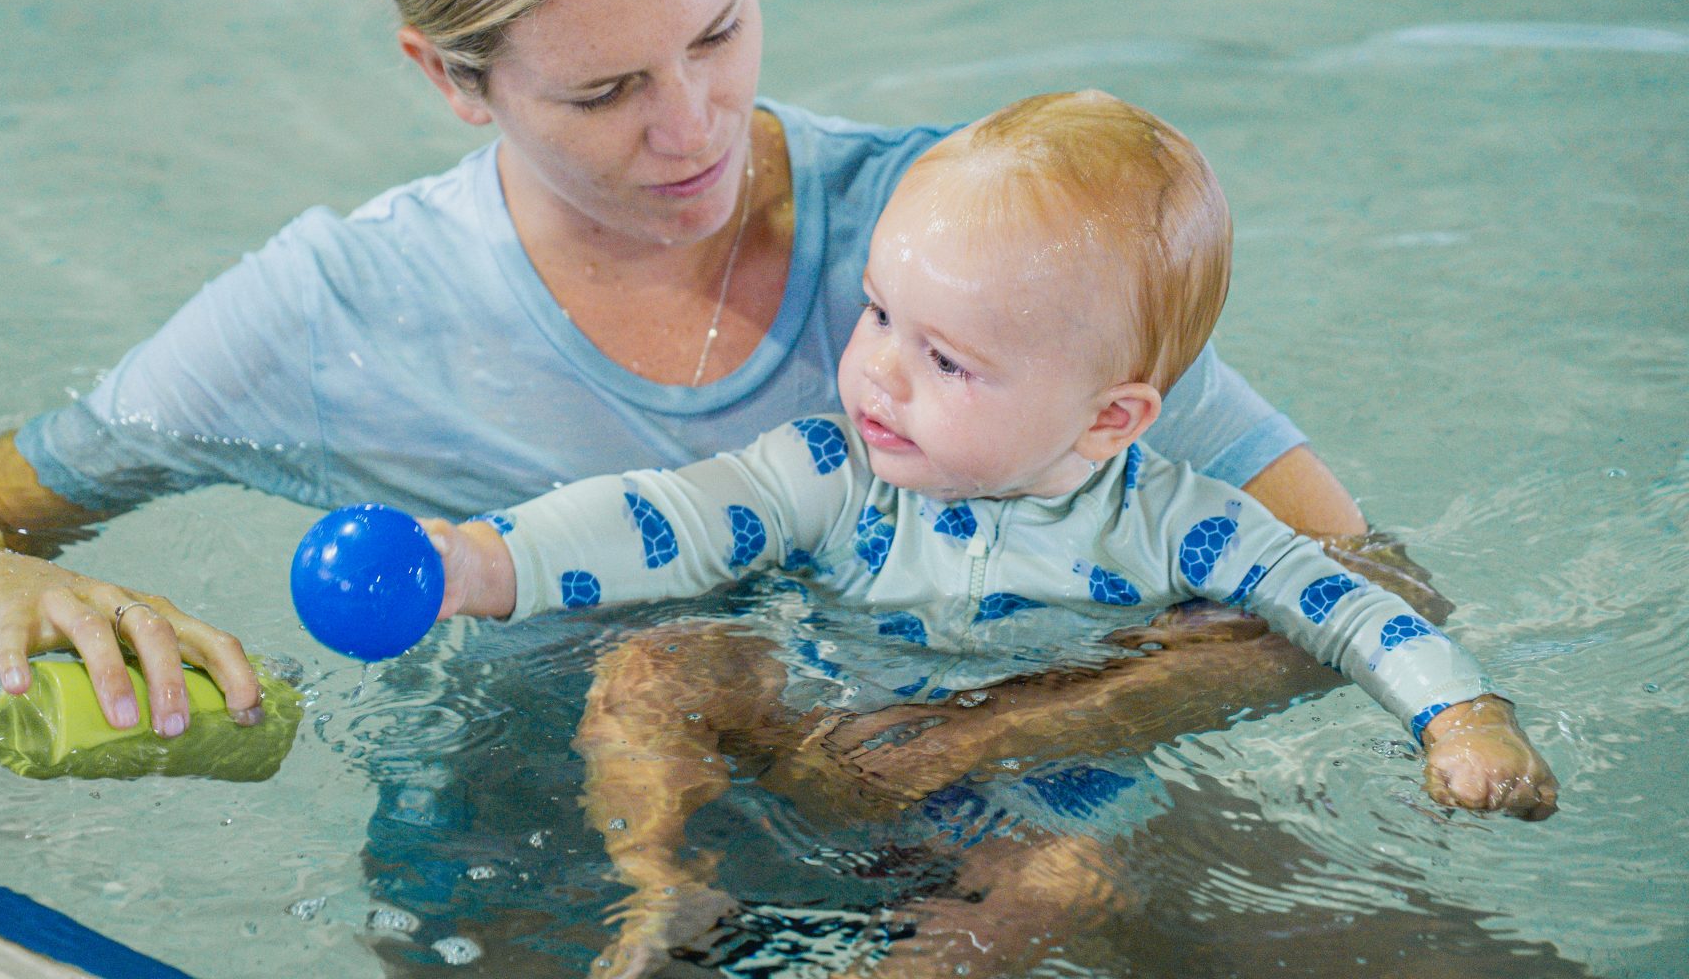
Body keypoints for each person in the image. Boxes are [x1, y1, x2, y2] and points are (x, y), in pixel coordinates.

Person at [0, 0, 1399, 815]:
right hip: (562, 859)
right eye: (603, 91)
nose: (696, 124)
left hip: (1024, 826)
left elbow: (1365, 582)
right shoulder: (340, 315)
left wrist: (980, 740)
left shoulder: (958, 241)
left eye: (719, 31)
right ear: (449, 77)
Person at [417, 90, 1558, 976]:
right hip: (817, 709)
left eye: (947, 359)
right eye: (877, 313)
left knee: (1060, 875)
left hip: (1041, 789)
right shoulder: (835, 466)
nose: (877, 372)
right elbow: (665, 518)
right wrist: (485, 558)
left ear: (1110, 415)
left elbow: (1346, 600)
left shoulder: (1178, 522)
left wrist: (1462, 713)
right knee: (657, 665)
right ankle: (668, 885)